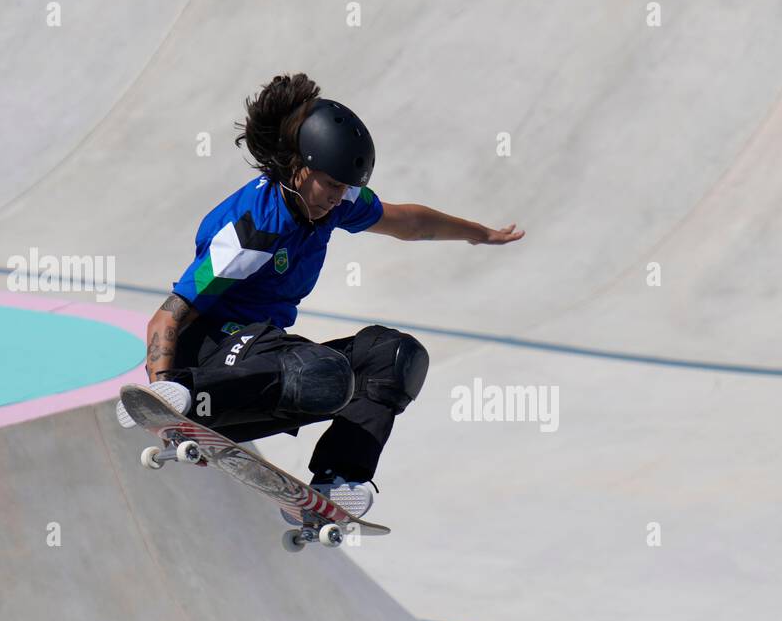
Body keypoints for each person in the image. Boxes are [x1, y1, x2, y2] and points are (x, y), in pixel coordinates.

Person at [117, 72, 524, 516]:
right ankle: (191, 396)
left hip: (260, 361)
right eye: (331, 185)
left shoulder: (336, 202)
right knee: (321, 370)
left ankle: (336, 479)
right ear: (299, 166)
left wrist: (477, 234)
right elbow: (167, 318)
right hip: (209, 358)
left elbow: (409, 222)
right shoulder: (254, 227)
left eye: (345, 189)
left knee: (392, 356)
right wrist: (165, 397)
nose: (338, 198)